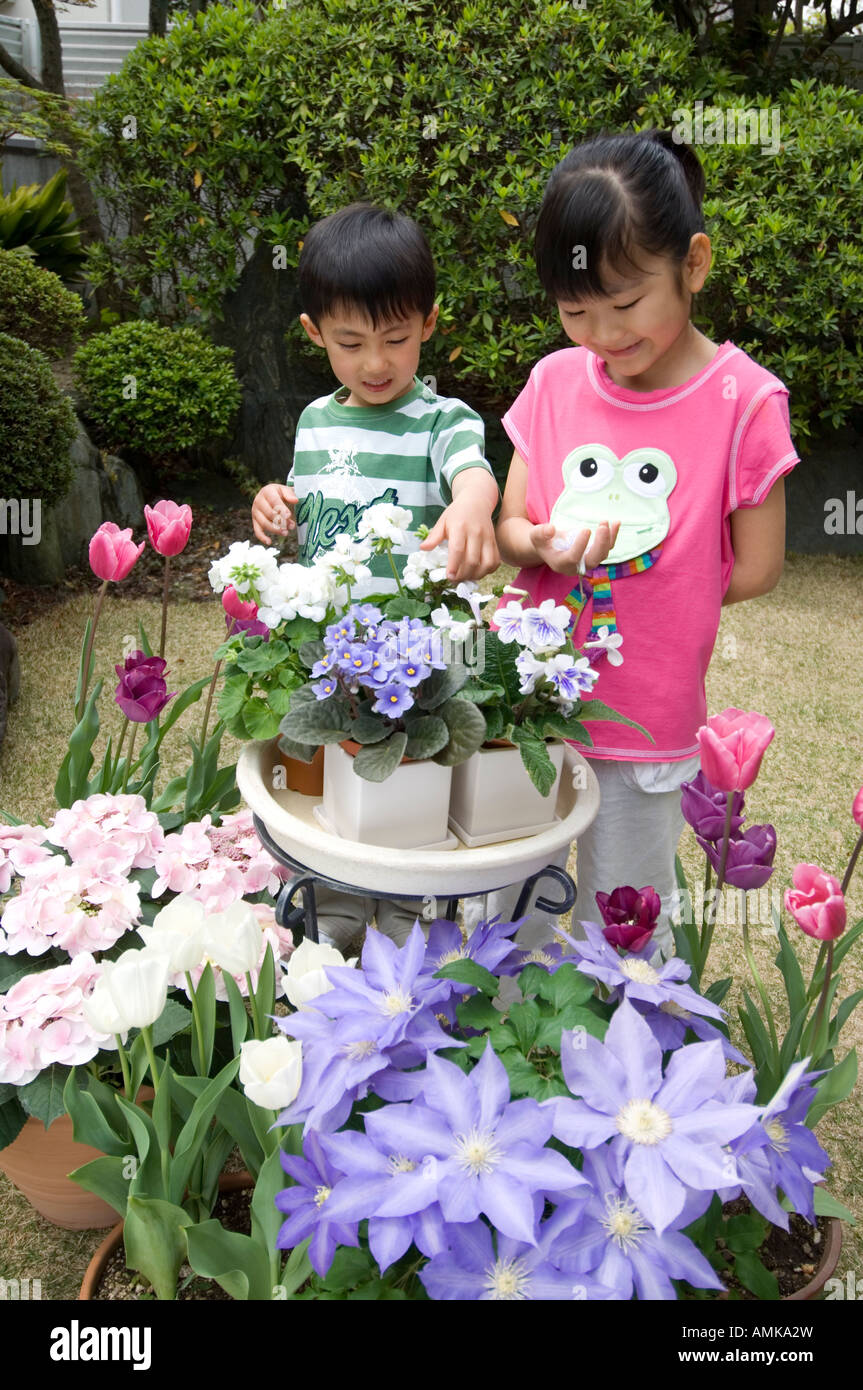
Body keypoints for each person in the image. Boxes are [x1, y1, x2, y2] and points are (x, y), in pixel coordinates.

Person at [469, 129, 799, 959]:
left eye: (623, 303)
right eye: (574, 310)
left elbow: (759, 570)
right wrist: (543, 545)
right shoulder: (551, 381)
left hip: (644, 724)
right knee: (521, 901)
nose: (602, 335)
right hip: (534, 710)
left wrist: (642, 568)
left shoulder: (745, 400)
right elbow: (513, 532)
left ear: (693, 264)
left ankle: (615, 1072)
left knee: (616, 922)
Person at [248, 202, 511, 950]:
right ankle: (331, 915)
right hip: (337, 650)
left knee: (412, 780)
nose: (374, 363)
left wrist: (472, 507)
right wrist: (274, 506)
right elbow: (307, 513)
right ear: (313, 334)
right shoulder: (313, 422)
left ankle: (405, 921)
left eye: (395, 338)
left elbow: (472, 476)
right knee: (334, 781)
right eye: (349, 342)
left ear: (428, 323)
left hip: (421, 656)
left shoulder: (443, 419)